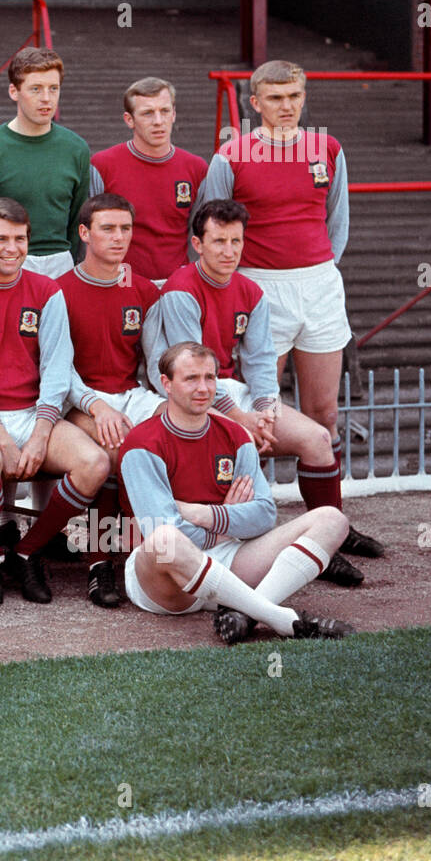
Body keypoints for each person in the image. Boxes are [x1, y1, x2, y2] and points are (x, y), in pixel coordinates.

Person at [200, 58, 383, 564]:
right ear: (254, 102)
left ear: (304, 99)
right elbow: (211, 225)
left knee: (324, 413)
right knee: (261, 415)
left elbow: (336, 221)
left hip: (320, 284)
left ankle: (332, 528)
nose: (286, 106)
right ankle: (261, 530)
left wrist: (319, 270)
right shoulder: (231, 156)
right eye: (275, 98)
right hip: (261, 289)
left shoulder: (327, 148)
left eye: (295, 97)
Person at [155, 198, 380, 585]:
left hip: (234, 391)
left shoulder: (251, 290)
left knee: (318, 438)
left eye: (236, 242)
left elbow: (260, 360)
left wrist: (264, 410)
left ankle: (329, 545)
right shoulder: (181, 290)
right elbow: (192, 373)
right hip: (188, 395)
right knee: (239, 437)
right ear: (197, 243)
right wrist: (241, 419)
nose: (229, 251)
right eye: (219, 241)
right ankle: (248, 554)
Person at [117, 342, 353, 645]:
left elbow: (265, 515)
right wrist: (227, 527)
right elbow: (162, 530)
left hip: (229, 561)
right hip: (166, 582)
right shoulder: (142, 444)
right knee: (165, 540)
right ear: (167, 384)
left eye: (210, 378)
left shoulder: (235, 435)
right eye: (191, 379)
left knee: (332, 519)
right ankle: (283, 619)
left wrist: (206, 514)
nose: (203, 388)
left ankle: (246, 614)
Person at [0, 198, 108, 608]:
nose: (12, 248)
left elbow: (56, 370)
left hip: (33, 411)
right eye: (0, 239)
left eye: (20, 238)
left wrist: (38, 436)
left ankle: (27, 551)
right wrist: (3, 441)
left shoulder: (47, 291)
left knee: (95, 463)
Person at [53, 194, 163, 606]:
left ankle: (154, 553)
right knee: (117, 450)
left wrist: (170, 407)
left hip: (128, 392)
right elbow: (56, 371)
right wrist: (95, 406)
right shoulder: (57, 291)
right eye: (108, 228)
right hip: (77, 397)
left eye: (126, 228)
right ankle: (100, 564)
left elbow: (154, 362)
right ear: (84, 233)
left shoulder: (145, 289)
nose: (119, 238)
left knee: (171, 435)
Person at [0, 46, 90, 279]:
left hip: (62, 262)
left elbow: (78, 217)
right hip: (6, 261)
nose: (46, 98)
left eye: (53, 89)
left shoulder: (76, 148)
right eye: (35, 89)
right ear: (14, 91)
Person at [89, 77, 208, 284]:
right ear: (129, 119)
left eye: (164, 111)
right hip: (121, 284)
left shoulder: (196, 168)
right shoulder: (103, 165)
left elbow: (201, 233)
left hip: (177, 285)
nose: (158, 121)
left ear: (174, 114)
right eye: (147, 113)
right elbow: (90, 234)